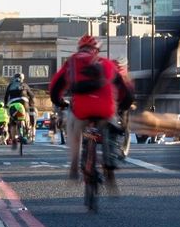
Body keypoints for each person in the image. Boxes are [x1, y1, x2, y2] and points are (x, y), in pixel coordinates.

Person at [50, 35, 134, 182]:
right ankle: (109, 158)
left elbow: (55, 87)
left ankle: (74, 166)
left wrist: (59, 102)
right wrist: (121, 106)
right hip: (106, 110)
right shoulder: (106, 63)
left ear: (79, 48)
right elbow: (125, 89)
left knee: (73, 129)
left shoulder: (72, 61)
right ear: (97, 50)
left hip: (81, 110)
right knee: (112, 127)